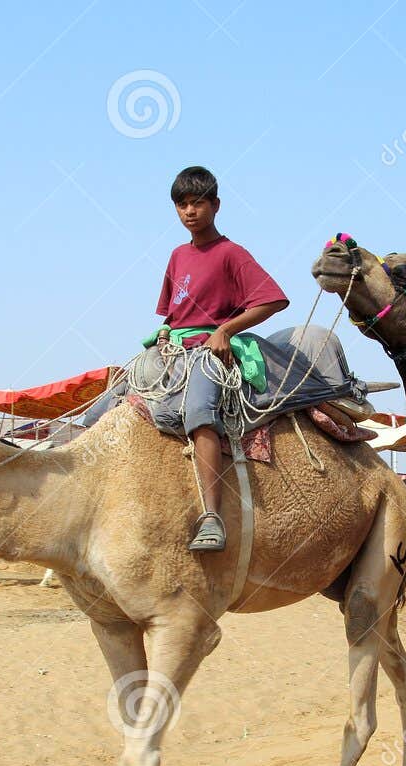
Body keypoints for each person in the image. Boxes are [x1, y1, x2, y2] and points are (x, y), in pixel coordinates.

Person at [153, 166, 288, 552]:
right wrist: (164, 335)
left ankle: (211, 517)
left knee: (199, 411)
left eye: (197, 203)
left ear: (216, 204)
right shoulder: (177, 255)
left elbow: (273, 299)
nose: (189, 211)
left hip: (209, 353)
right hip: (173, 348)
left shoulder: (231, 253)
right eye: (182, 205)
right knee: (109, 405)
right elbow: (173, 313)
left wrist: (225, 330)